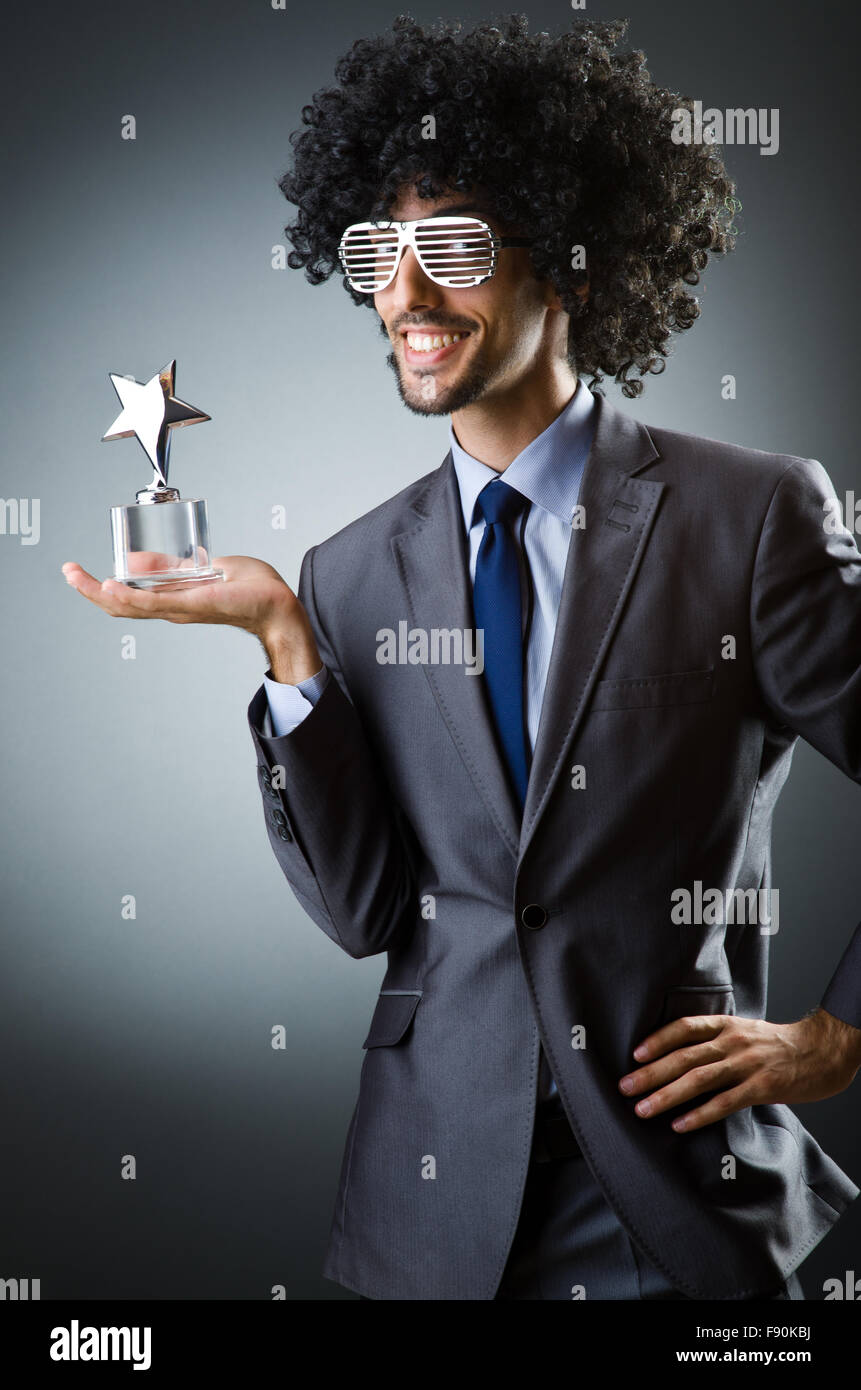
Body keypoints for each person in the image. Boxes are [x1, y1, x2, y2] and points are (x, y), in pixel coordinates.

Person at [62, 16, 861, 1301]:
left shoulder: (753, 516)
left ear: (581, 267)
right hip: (428, 1217)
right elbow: (370, 916)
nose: (406, 294)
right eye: (380, 250)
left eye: (456, 246)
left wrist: (835, 1036)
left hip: (678, 1204)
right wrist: (286, 651)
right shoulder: (346, 575)